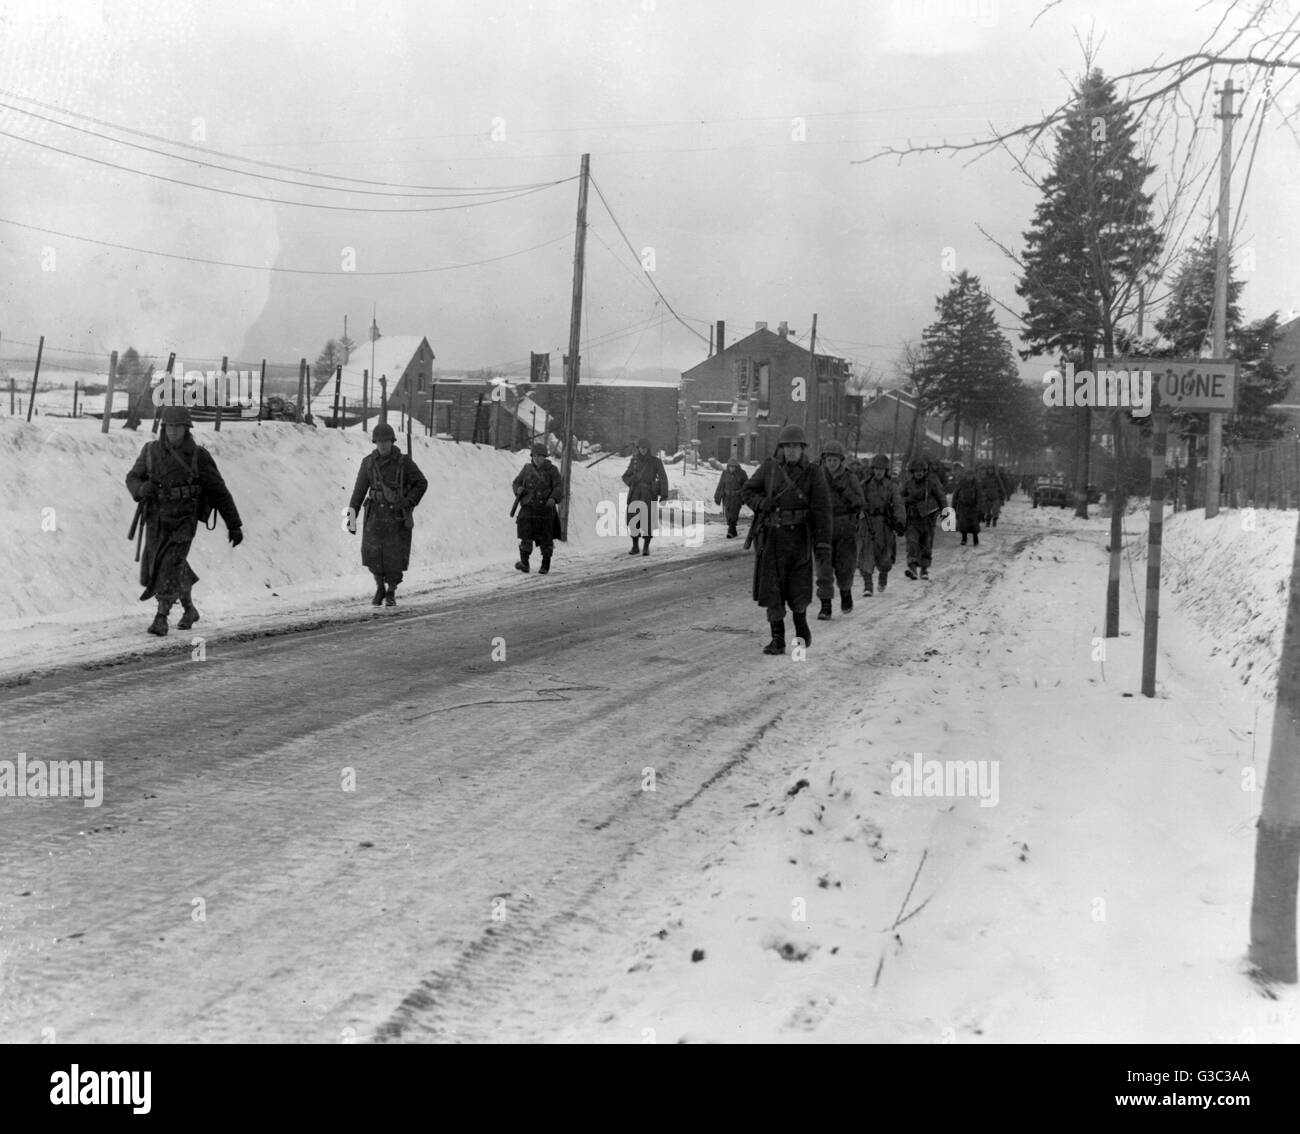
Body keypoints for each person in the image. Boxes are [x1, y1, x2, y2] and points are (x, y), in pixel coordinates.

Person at [125, 404, 242, 635]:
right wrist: (141, 488)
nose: (174, 431)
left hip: (183, 520)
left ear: (187, 429)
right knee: (164, 565)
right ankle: (189, 609)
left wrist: (234, 524)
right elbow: (132, 477)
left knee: (169, 564)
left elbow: (219, 491)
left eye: (179, 427)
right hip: (156, 519)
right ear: (163, 427)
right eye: (170, 426)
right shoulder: (150, 451)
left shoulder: (199, 456)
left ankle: (161, 617)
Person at [741, 424, 832, 655]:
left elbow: (822, 510)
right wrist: (762, 503)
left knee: (798, 590)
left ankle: (801, 628)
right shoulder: (770, 469)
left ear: (803, 449)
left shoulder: (813, 472)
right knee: (772, 590)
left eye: (796, 446)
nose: (791, 451)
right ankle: (778, 639)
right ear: (781, 448)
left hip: (800, 538)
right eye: (787, 446)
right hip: (772, 538)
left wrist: (822, 543)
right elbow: (747, 490)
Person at [347, 422, 428, 605]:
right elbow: (358, 492)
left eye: (386, 441)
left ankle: (391, 591)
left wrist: (408, 501)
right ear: (375, 442)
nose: (383, 445)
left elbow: (421, 483)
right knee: (373, 556)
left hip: (396, 517)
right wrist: (351, 519)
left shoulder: (404, 462)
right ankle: (379, 588)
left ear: (392, 441)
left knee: (394, 557)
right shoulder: (368, 463)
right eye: (379, 441)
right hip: (374, 515)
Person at [815, 439, 864, 619]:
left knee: (845, 567)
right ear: (824, 460)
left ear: (841, 460)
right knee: (823, 570)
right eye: (829, 459)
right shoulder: (818, 477)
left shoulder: (850, 478)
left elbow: (860, 502)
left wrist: (846, 491)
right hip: (823, 527)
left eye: (835, 459)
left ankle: (845, 593)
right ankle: (825, 605)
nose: (832, 463)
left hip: (845, 528)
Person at [857, 453, 905, 595]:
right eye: (876, 468)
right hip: (868, 524)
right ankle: (868, 586)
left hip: (885, 525)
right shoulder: (864, 485)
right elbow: (857, 502)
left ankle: (883, 577)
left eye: (882, 469)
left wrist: (900, 521)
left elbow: (898, 504)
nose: (878, 472)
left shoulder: (891, 486)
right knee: (866, 554)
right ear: (873, 469)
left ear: (886, 471)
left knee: (885, 557)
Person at [512, 442, 563, 574]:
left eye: (540, 456)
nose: (537, 459)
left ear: (545, 457)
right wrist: (518, 489)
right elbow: (516, 482)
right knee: (525, 534)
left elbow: (558, 487)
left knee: (546, 537)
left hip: (545, 508)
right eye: (534, 456)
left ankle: (545, 565)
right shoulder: (527, 469)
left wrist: (553, 498)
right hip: (529, 507)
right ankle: (525, 563)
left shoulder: (552, 470)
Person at [622, 438, 669, 555]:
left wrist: (664, 494)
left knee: (648, 521)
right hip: (635, 494)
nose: (643, 450)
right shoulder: (634, 461)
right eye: (641, 448)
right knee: (633, 520)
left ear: (648, 449)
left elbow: (663, 478)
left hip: (649, 494)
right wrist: (634, 478)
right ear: (638, 449)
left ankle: (646, 547)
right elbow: (625, 477)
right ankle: (635, 546)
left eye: (645, 448)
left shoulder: (655, 461)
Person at [901, 456, 946, 580]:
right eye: (916, 471)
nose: (919, 473)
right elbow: (900, 498)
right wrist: (907, 501)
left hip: (928, 519)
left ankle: (924, 569)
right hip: (913, 519)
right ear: (912, 472)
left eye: (921, 470)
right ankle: (913, 568)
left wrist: (945, 513)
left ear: (925, 471)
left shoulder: (932, 482)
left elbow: (941, 497)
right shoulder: (908, 484)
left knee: (926, 544)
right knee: (912, 543)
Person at [713, 456, 747, 538]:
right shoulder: (725, 473)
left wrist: (744, 497)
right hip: (727, 498)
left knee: (734, 515)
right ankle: (733, 530)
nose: (732, 468)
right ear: (728, 466)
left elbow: (746, 486)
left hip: (736, 498)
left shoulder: (742, 474)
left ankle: (730, 532)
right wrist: (717, 497)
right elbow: (721, 485)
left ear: (736, 466)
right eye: (730, 466)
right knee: (728, 515)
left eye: (733, 466)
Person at [952, 466, 985, 547]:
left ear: (973, 476)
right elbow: (955, 494)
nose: (969, 477)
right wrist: (954, 506)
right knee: (963, 524)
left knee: (974, 524)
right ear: (965, 475)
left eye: (971, 475)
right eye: (967, 475)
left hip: (973, 507)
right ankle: (964, 539)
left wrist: (980, 508)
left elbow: (980, 496)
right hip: (963, 507)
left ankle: (975, 539)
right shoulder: (961, 483)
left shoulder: (976, 484)